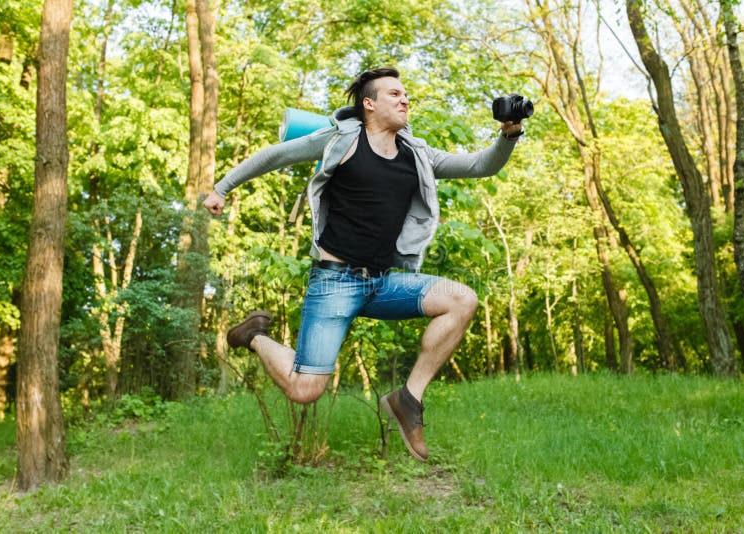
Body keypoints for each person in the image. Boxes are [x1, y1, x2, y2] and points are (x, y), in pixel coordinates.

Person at [202, 67, 524, 461]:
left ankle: (408, 400)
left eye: (406, 94)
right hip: (334, 283)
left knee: (462, 299)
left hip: (383, 284)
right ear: (368, 104)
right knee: (306, 390)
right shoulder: (342, 141)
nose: (405, 100)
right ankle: (253, 335)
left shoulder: (417, 154)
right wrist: (222, 188)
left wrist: (509, 134)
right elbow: (276, 155)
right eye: (394, 94)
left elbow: (480, 166)